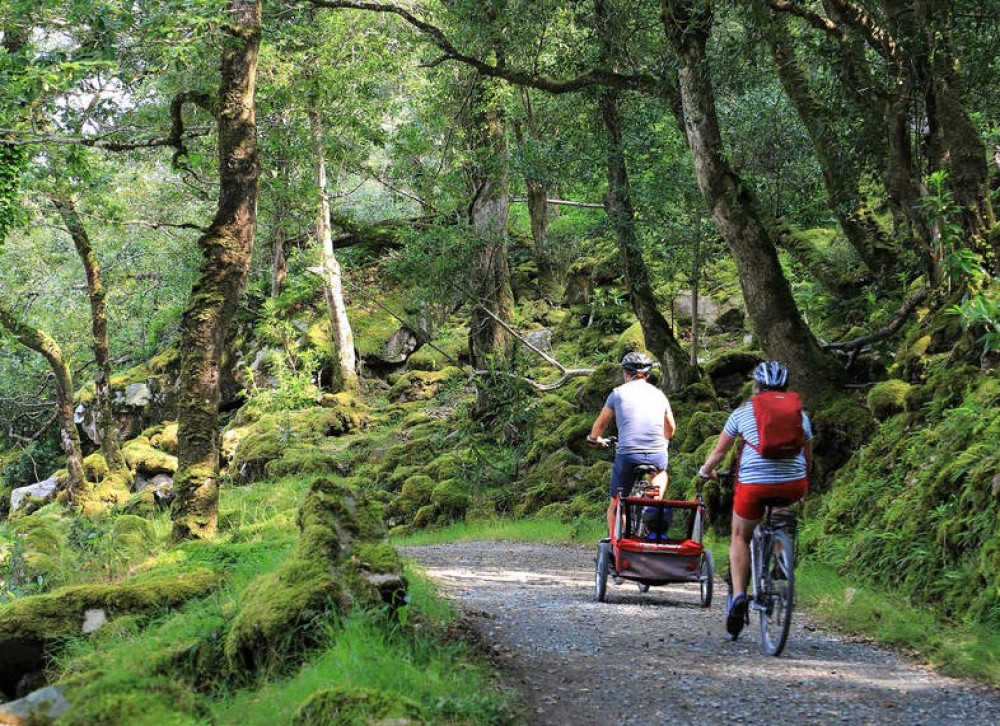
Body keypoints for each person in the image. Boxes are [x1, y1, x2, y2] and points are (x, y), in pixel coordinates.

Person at [698, 360, 812, 640]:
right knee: (780, 513)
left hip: (753, 485)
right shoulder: (800, 416)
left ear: (756, 387)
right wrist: (803, 479)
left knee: (740, 535)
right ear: (786, 388)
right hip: (792, 483)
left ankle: (738, 595)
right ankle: (780, 557)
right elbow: (807, 456)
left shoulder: (742, 413)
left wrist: (705, 471)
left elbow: (719, 452)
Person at [587, 351, 676, 539]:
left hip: (628, 454)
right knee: (660, 473)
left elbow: (600, 425)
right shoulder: (659, 395)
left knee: (616, 504)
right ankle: (654, 504)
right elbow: (671, 428)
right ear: (648, 375)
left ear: (626, 374)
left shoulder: (617, 394)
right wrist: (664, 441)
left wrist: (595, 439)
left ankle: (616, 544)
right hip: (656, 453)